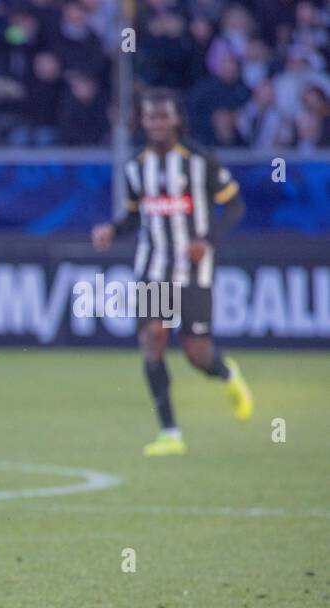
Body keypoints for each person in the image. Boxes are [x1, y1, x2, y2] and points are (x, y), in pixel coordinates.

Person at [93, 88, 253, 456]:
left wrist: (206, 239)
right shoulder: (135, 166)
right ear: (143, 121)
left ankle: (227, 374)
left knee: (197, 354)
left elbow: (234, 206)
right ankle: (170, 432)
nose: (157, 123)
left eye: (164, 116)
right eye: (151, 117)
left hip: (194, 269)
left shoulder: (200, 160)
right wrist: (112, 230)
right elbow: (136, 215)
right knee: (153, 337)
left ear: (177, 119)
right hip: (153, 267)